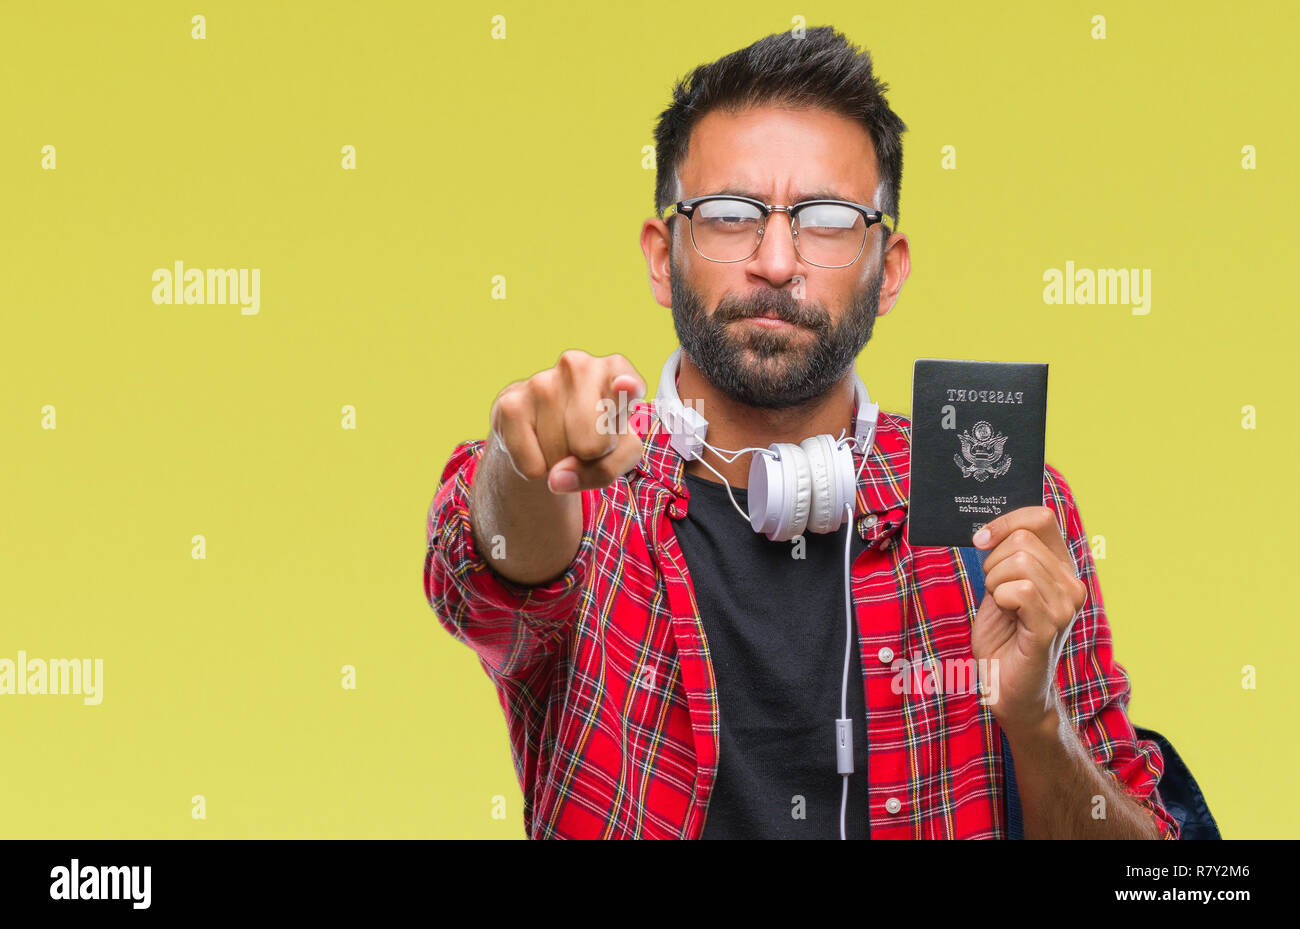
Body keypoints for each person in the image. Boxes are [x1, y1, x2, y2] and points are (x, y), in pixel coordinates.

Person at [423, 26, 1178, 839]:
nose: (776, 261)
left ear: (886, 270)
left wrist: (1035, 719)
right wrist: (527, 461)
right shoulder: (597, 483)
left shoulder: (999, 517)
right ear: (660, 255)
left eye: (825, 220)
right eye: (727, 215)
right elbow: (489, 569)